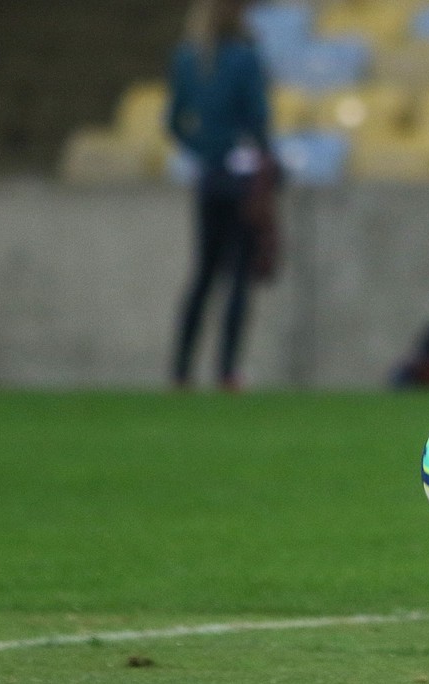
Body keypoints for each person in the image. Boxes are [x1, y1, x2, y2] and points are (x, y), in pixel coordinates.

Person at [167, 0, 276, 391]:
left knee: (204, 273)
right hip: (241, 179)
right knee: (238, 279)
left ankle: (180, 367)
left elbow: (175, 122)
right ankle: (227, 369)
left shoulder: (186, 59)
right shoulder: (245, 58)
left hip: (209, 177)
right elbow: (259, 118)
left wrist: (204, 149)